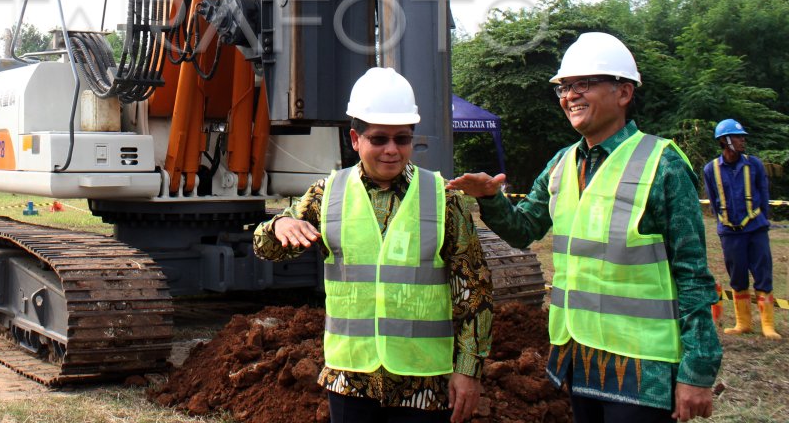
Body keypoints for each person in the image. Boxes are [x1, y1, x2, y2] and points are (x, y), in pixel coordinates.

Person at [446, 32, 721, 423]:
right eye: (564, 86)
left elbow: (694, 275)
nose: (570, 95)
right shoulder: (563, 163)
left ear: (624, 93)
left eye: (584, 84)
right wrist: (491, 198)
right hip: (579, 356)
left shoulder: (662, 164)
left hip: (643, 365)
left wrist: (697, 372)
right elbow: (525, 230)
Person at [253, 67, 493, 423]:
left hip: (425, 379)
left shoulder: (444, 199)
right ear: (355, 138)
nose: (392, 150)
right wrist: (279, 225)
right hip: (351, 377)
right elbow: (267, 248)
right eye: (379, 139)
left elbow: (473, 289)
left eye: (403, 139)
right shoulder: (326, 195)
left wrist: (469, 369)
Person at [703, 118, 780, 339]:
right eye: (737, 137)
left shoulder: (753, 164)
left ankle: (767, 324)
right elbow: (714, 201)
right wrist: (724, 224)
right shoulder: (711, 169)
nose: (742, 140)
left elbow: (763, 195)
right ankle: (743, 323)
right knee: (737, 277)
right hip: (730, 233)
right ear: (725, 141)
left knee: (763, 274)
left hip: (756, 230)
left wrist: (761, 220)